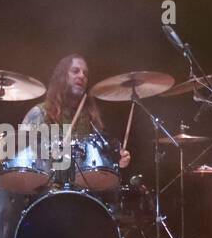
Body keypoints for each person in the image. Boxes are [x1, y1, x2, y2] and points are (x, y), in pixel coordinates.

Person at [21, 54, 131, 184]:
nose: (82, 76)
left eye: (85, 73)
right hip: (45, 189)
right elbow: (22, 157)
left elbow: (101, 159)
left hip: (82, 191)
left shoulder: (91, 118)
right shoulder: (39, 113)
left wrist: (118, 158)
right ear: (62, 77)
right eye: (75, 71)